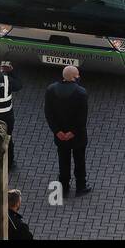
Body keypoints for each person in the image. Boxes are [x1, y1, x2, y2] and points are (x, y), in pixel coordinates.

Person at [44, 64, 90, 197]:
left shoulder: (51, 90)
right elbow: (82, 118)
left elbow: (49, 113)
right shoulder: (81, 93)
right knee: (79, 160)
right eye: (78, 75)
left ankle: (64, 187)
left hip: (60, 136)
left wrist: (57, 131)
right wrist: (72, 132)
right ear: (75, 78)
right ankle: (81, 186)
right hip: (77, 137)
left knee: (63, 161)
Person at [0, 55, 22, 167]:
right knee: (8, 137)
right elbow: (18, 85)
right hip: (6, 116)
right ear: (0, 66)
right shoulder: (6, 79)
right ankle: (10, 162)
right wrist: (11, 71)